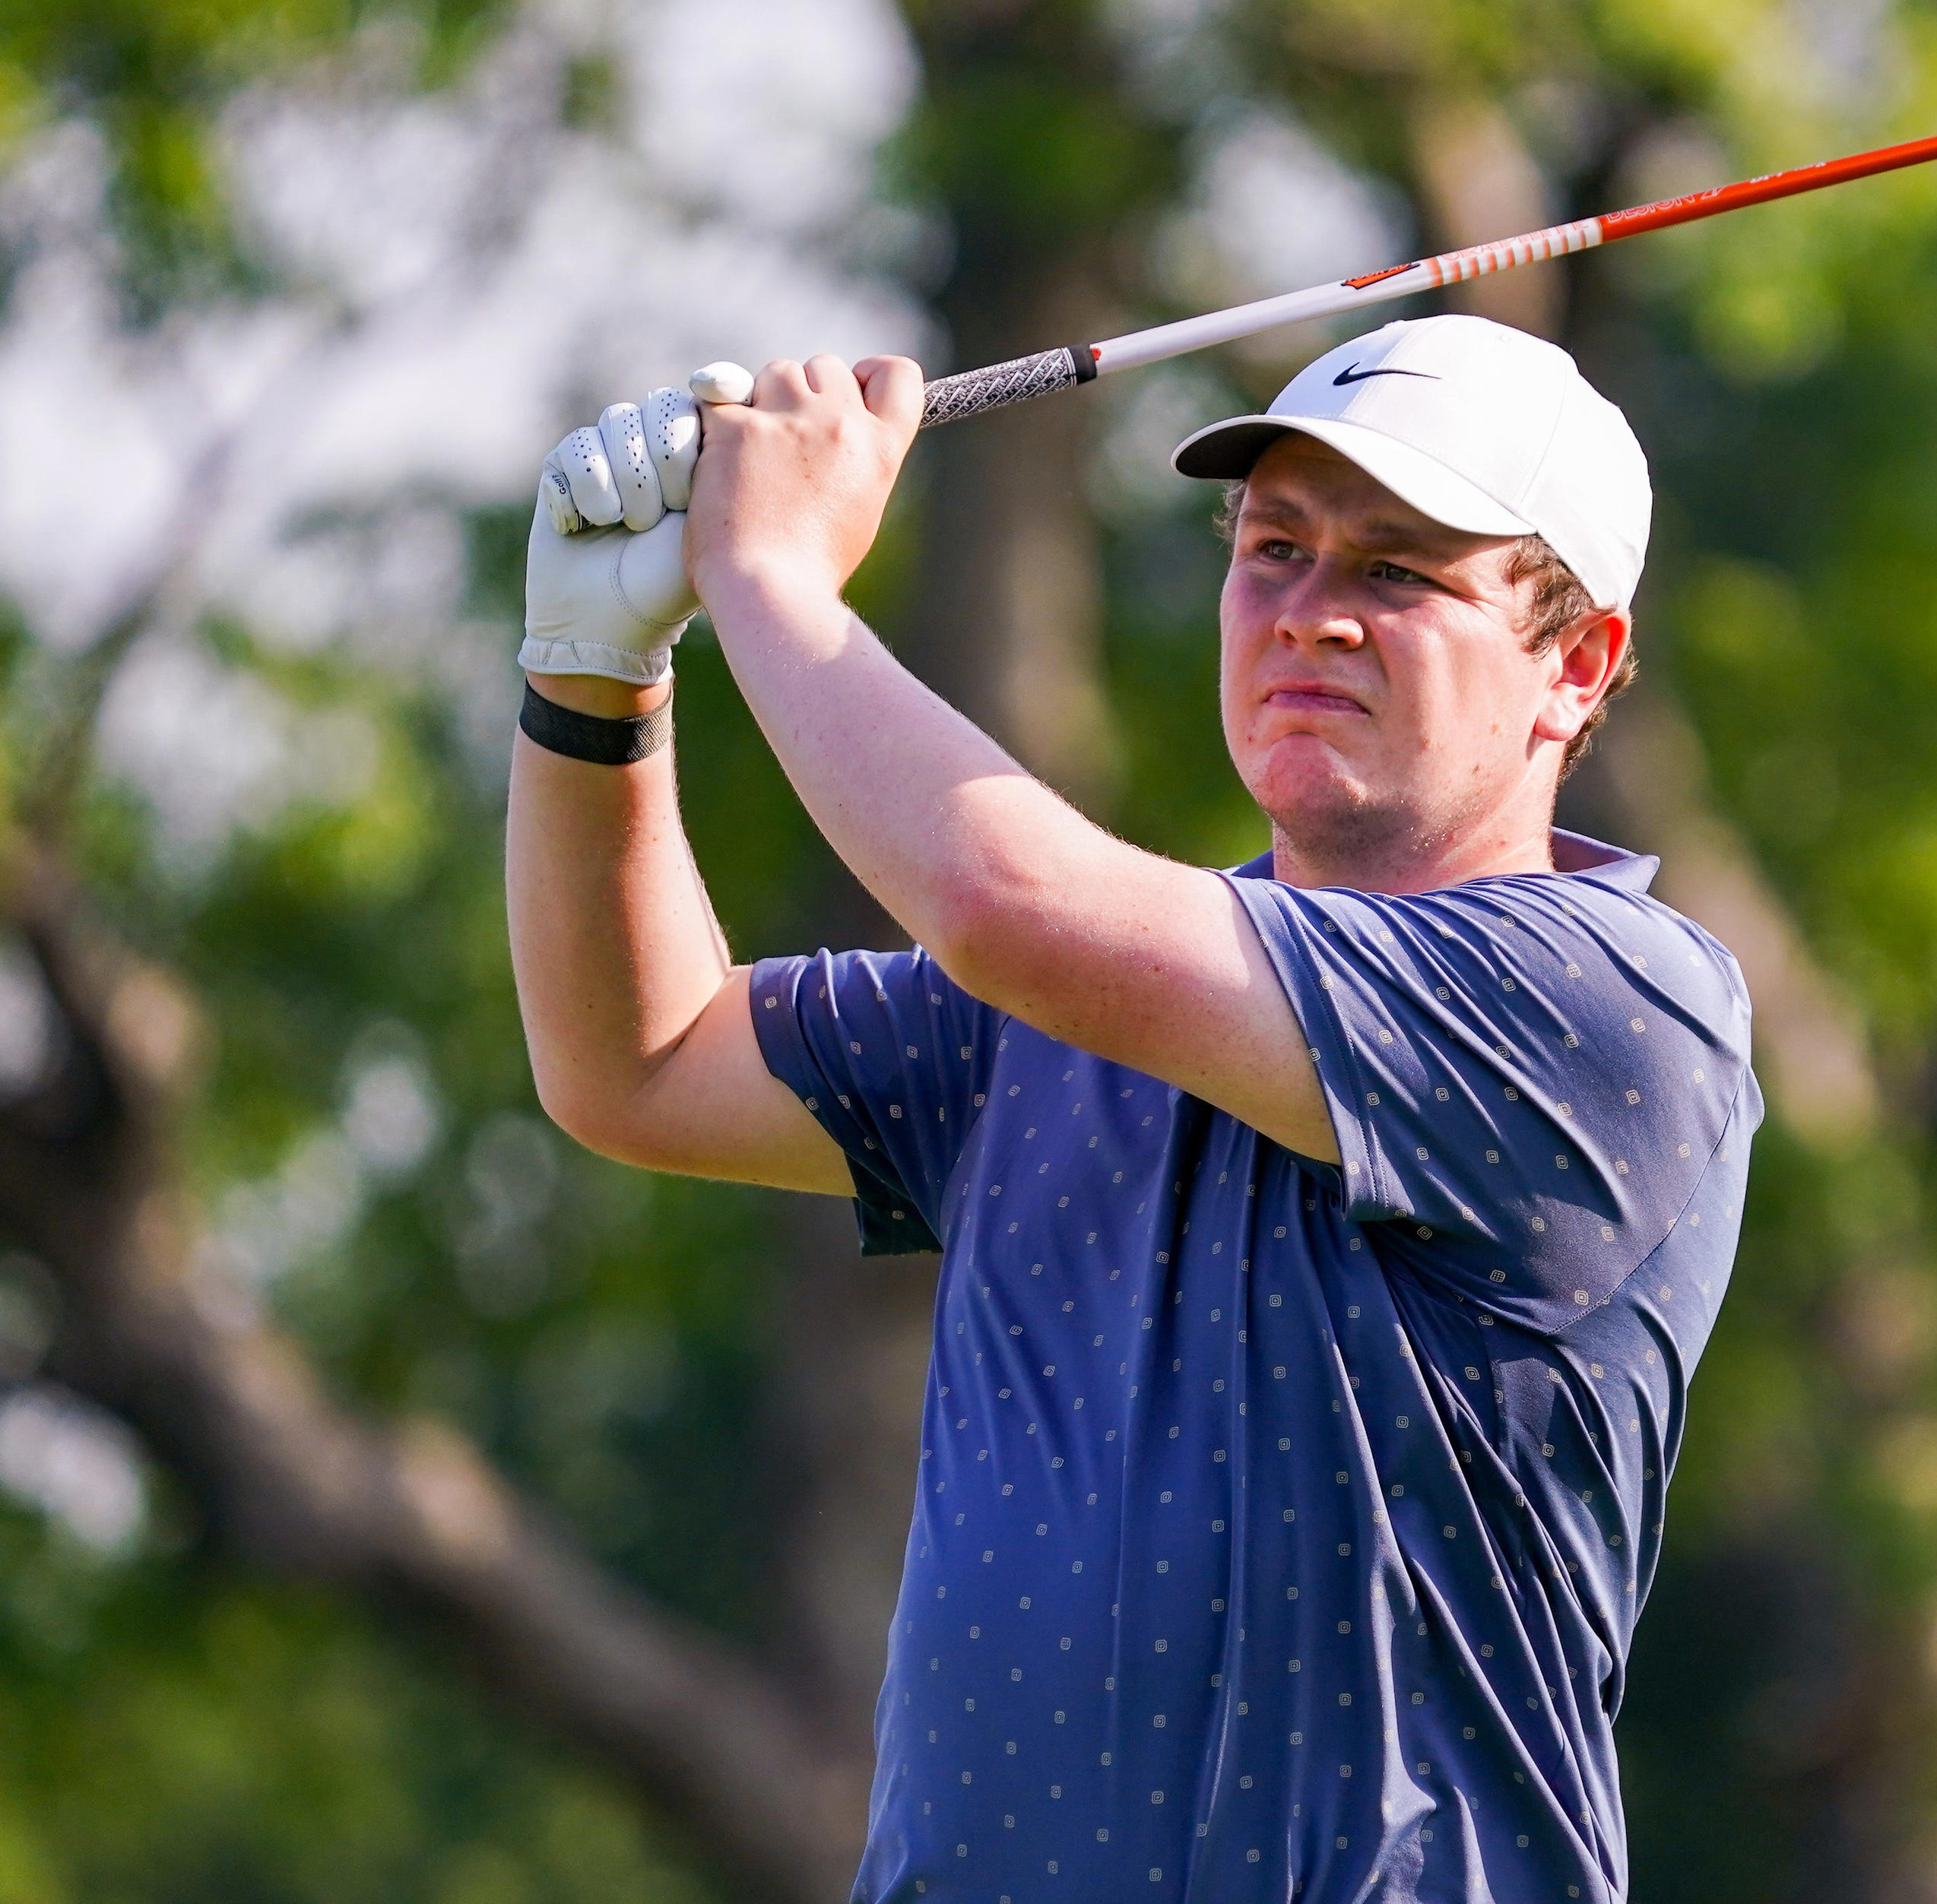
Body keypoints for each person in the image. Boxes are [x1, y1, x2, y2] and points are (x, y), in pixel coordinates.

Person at [505, 313, 1761, 1903]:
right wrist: (592, 687)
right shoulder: (1071, 994)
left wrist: (769, 579)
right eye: (1274, 550)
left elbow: (1000, 899)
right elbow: (642, 1058)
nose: (1312, 616)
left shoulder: (1612, 1002)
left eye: (1396, 574)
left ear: (1574, 670)